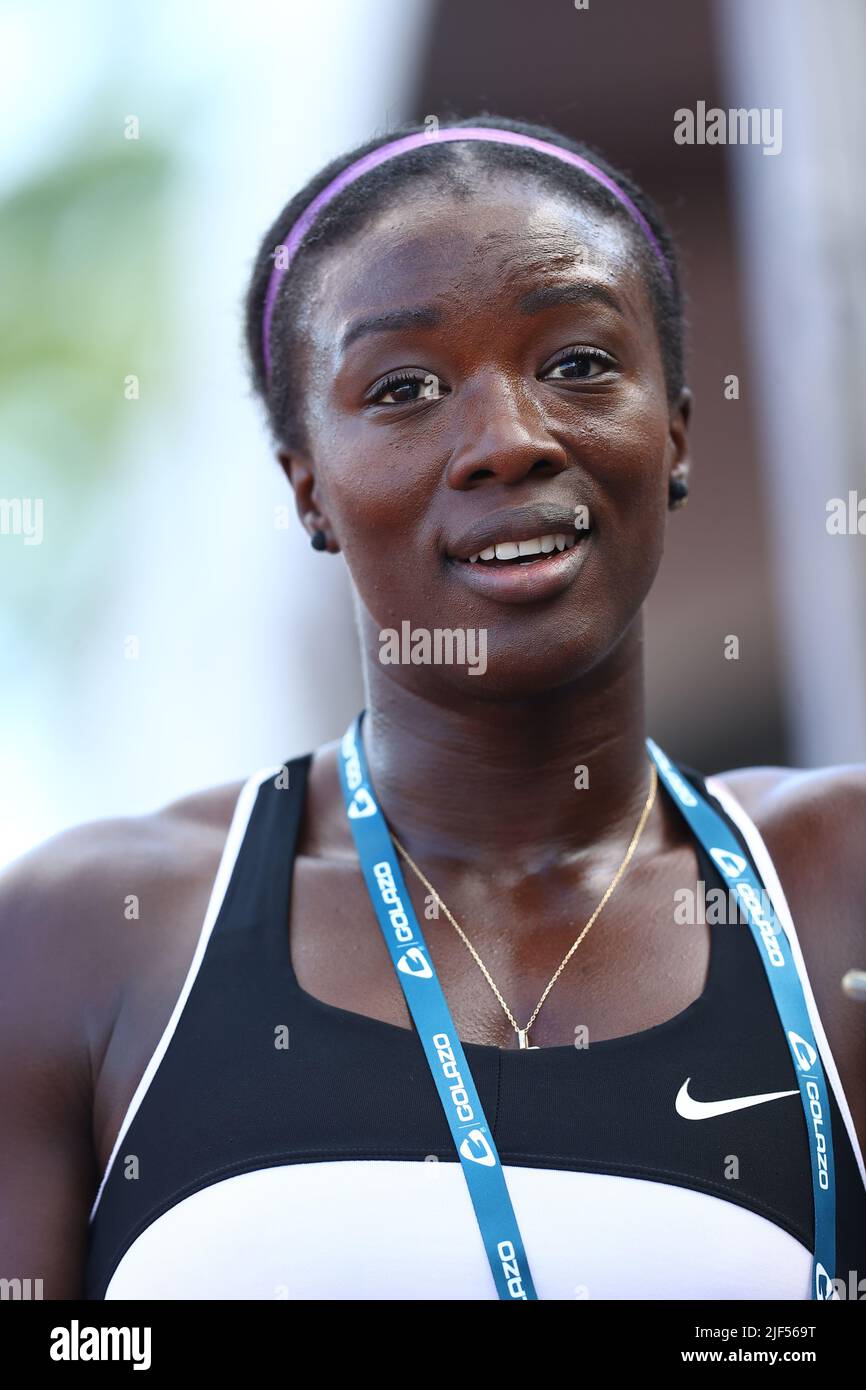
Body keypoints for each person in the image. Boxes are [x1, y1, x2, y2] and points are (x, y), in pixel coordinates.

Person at [1, 114, 864, 1302]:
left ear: (673, 426)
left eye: (575, 364)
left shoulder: (835, 889)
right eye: (403, 388)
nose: (506, 442)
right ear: (305, 482)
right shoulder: (87, 935)